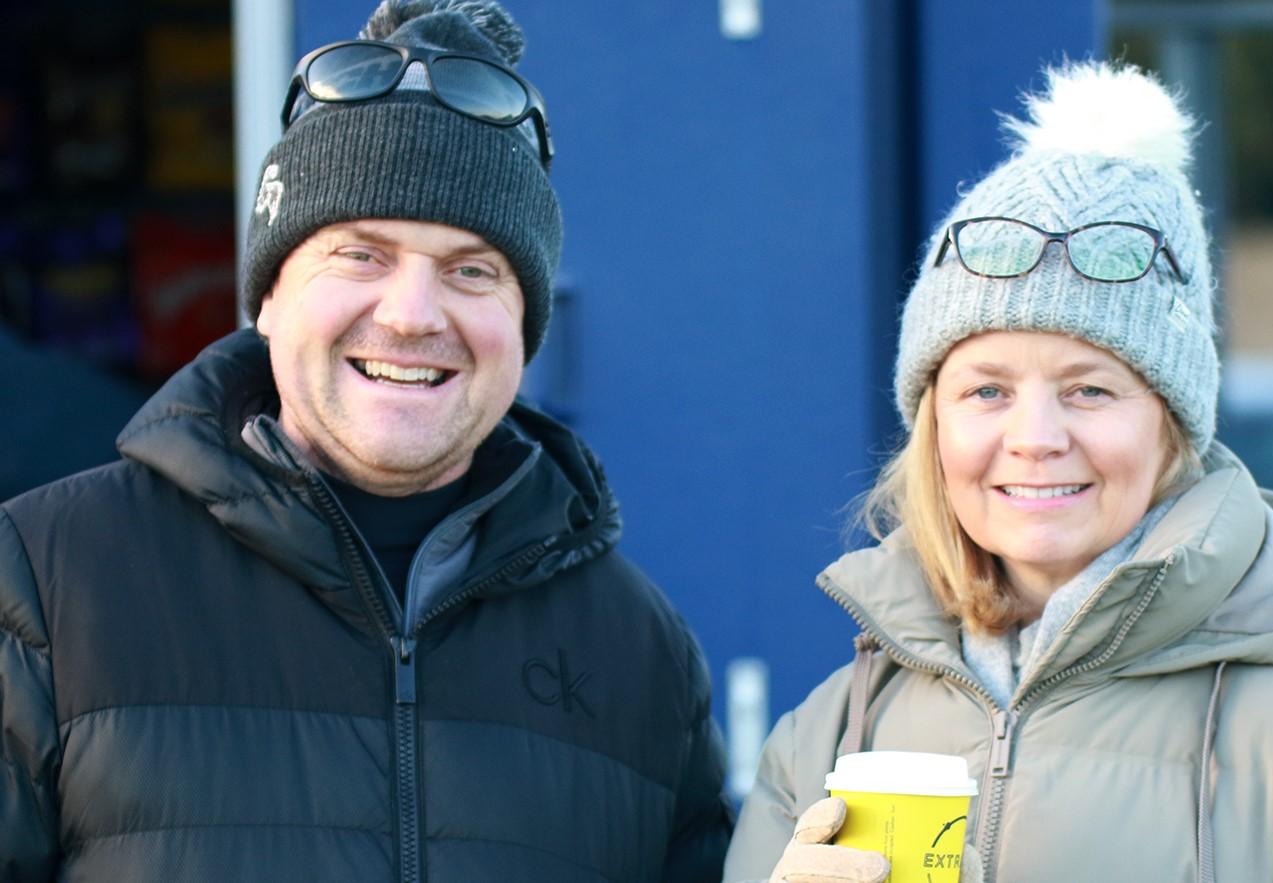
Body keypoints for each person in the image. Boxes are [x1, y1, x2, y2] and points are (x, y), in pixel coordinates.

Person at [0, 1, 731, 879]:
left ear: (525, 327)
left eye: (472, 271)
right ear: (268, 296)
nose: (413, 315)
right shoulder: (46, 582)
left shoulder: (641, 651)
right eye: (361, 255)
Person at [724, 62, 1273, 883]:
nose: (1035, 437)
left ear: (1172, 427)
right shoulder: (828, 736)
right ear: (934, 426)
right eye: (987, 390)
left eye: (1089, 389)